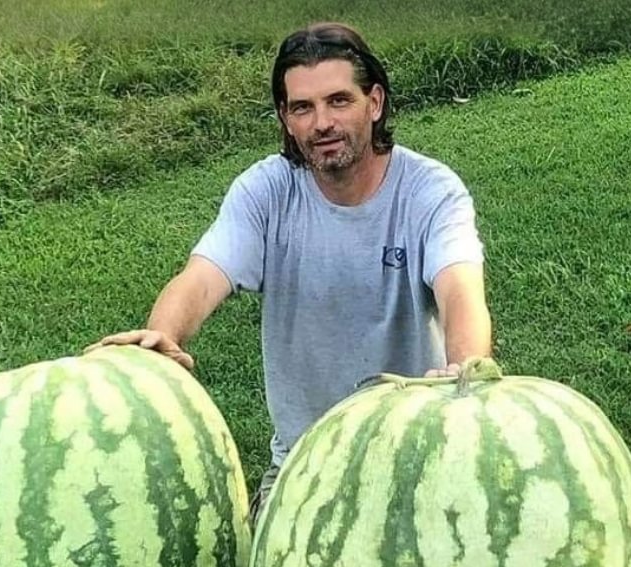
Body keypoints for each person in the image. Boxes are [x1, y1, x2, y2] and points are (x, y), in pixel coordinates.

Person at [90, 22, 493, 521]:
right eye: (303, 107)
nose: (322, 122)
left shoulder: (430, 192)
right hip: (303, 463)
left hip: (416, 454)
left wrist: (465, 375)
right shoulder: (265, 193)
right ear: (286, 117)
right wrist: (159, 338)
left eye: (338, 100)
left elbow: (461, 290)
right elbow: (201, 277)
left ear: (375, 102)